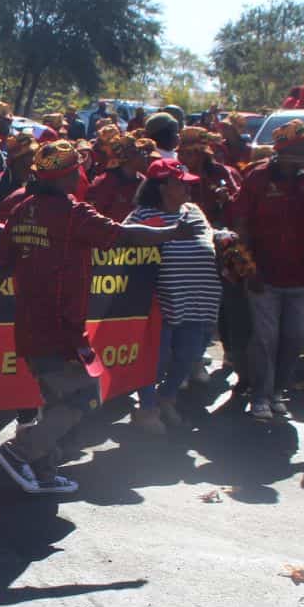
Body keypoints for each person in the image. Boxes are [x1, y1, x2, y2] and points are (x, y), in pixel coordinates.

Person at [0, 141, 194, 493]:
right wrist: (173, 232)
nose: (81, 176)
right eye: (76, 171)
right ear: (68, 176)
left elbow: (1, 266)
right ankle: (19, 452)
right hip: (60, 328)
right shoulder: (72, 213)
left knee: (57, 400)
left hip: (32, 324)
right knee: (85, 395)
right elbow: (124, 235)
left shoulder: (23, 210)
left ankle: (45, 472)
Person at [231, 120, 304, 421]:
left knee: (295, 337)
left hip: (299, 278)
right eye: (301, 147)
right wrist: (249, 269)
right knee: (265, 338)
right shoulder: (257, 179)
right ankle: (260, 395)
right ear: (286, 150)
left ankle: (277, 391)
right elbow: (240, 226)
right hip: (264, 277)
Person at [127, 158, 223, 433]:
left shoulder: (193, 211)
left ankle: (166, 398)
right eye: (180, 184)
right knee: (155, 362)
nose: (187, 189)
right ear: (161, 187)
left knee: (188, 356)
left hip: (198, 298)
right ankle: (147, 409)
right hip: (160, 304)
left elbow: (208, 237)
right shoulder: (142, 216)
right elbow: (125, 246)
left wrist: (225, 237)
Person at [85, 131, 146, 221]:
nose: (144, 155)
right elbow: (93, 218)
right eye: (139, 152)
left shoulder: (143, 182)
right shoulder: (105, 183)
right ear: (128, 157)